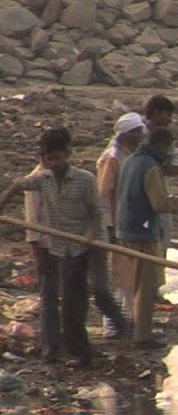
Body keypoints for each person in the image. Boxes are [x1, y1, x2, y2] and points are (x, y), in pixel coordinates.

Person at [0, 128, 105, 367]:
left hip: (78, 249)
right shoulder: (43, 179)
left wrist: (89, 237)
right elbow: (17, 186)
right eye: (50, 159)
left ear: (68, 154)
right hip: (57, 248)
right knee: (65, 303)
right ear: (44, 158)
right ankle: (75, 352)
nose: (55, 163)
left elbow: (96, 213)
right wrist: (2, 204)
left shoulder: (85, 179)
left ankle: (81, 354)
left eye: (58, 158)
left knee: (73, 305)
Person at [115, 126, 178, 348]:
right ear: (163, 145)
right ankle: (142, 336)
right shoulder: (151, 167)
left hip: (124, 230)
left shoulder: (130, 160)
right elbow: (161, 204)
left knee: (130, 285)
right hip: (142, 233)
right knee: (145, 288)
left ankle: (129, 329)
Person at [95, 112, 147, 338]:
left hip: (130, 223)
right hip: (116, 224)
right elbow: (104, 194)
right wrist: (110, 226)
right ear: (124, 134)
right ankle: (112, 325)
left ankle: (128, 322)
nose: (140, 136)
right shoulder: (113, 158)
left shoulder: (131, 155)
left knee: (130, 275)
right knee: (118, 276)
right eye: (135, 132)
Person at [142, 95, 178, 293]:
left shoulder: (167, 138)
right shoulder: (136, 133)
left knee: (161, 240)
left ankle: (155, 290)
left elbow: (175, 167)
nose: (170, 119)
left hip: (161, 196)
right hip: (141, 201)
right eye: (167, 114)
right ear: (156, 112)